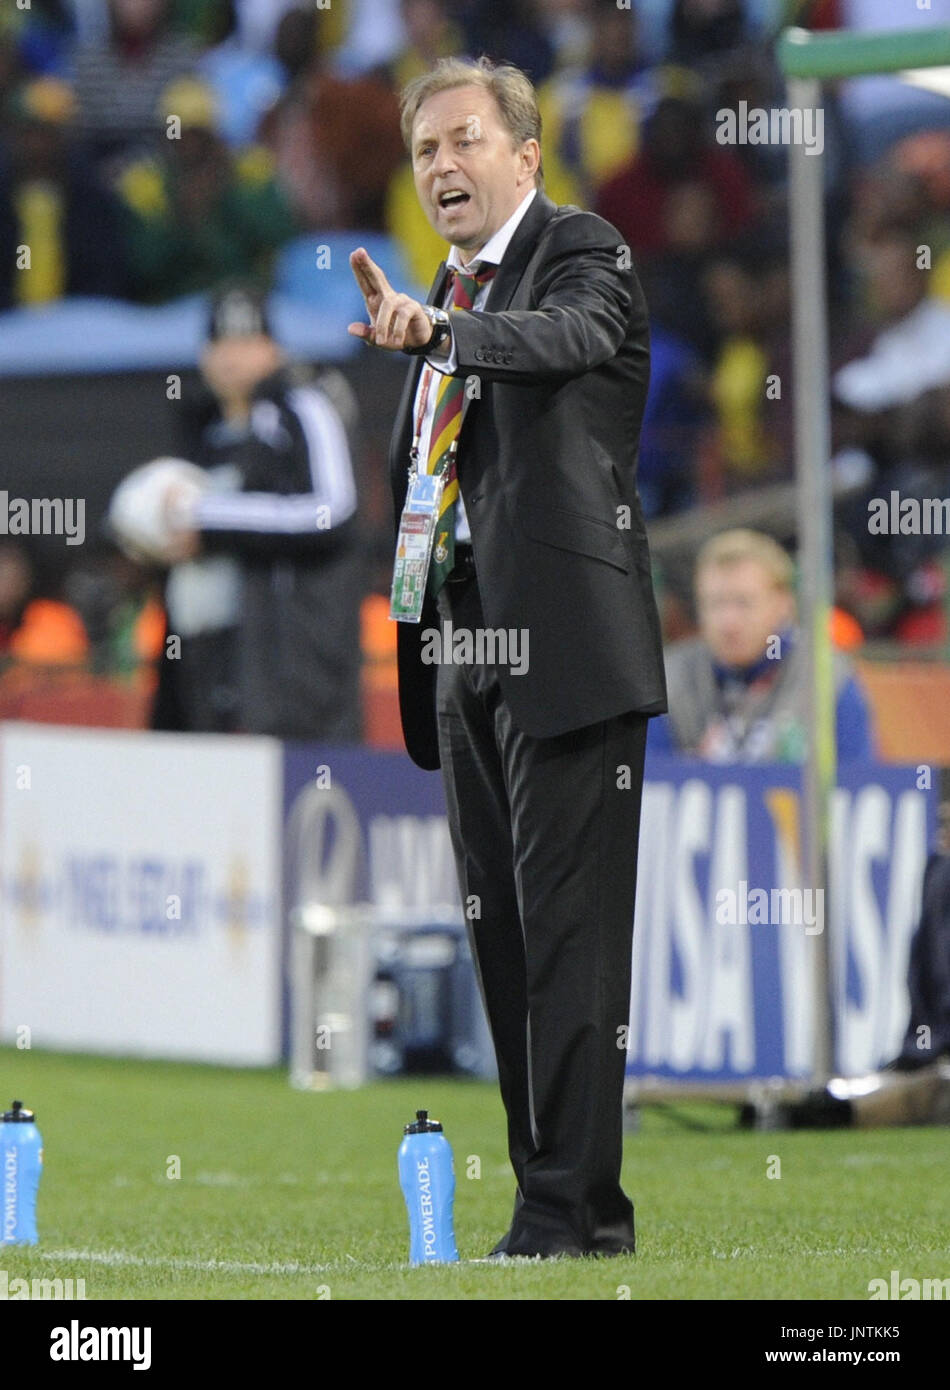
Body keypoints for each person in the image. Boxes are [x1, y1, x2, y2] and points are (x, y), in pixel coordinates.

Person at [348, 55, 667, 1259]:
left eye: (463, 140)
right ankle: (553, 1201)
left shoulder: (582, 251)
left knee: (571, 938)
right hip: (461, 638)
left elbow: (568, 337)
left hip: (564, 644)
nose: (441, 166)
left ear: (525, 156)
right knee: (504, 937)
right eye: (424, 149)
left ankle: (572, 1211)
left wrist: (447, 328)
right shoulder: (447, 290)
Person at [152, 281, 363, 740]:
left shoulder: (305, 402)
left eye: (247, 342)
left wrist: (206, 517)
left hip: (298, 663)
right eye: (220, 342)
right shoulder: (200, 429)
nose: (232, 357)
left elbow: (334, 509)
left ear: (274, 348)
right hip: (215, 657)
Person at [648, 528, 874, 763]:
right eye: (715, 604)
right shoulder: (669, 679)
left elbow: (855, 784)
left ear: (783, 604)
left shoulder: (827, 678)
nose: (728, 622)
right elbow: (650, 784)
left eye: (743, 603)